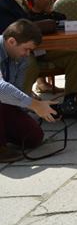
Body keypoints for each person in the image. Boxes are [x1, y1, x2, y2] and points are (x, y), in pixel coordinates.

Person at [0, 0, 77, 119]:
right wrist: (36, 10)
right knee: (28, 63)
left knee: (75, 56)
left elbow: (53, 21)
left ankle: (70, 104)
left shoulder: (30, 0)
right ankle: (19, 108)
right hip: (20, 55)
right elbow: (13, 33)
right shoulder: (3, 6)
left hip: (41, 50)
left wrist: (46, 11)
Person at [0, 20, 59, 162]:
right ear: (12, 42)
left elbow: (17, 91)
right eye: (26, 49)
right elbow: (1, 89)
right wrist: (35, 105)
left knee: (33, 137)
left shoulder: (21, 58)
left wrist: (41, 109)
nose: (27, 54)